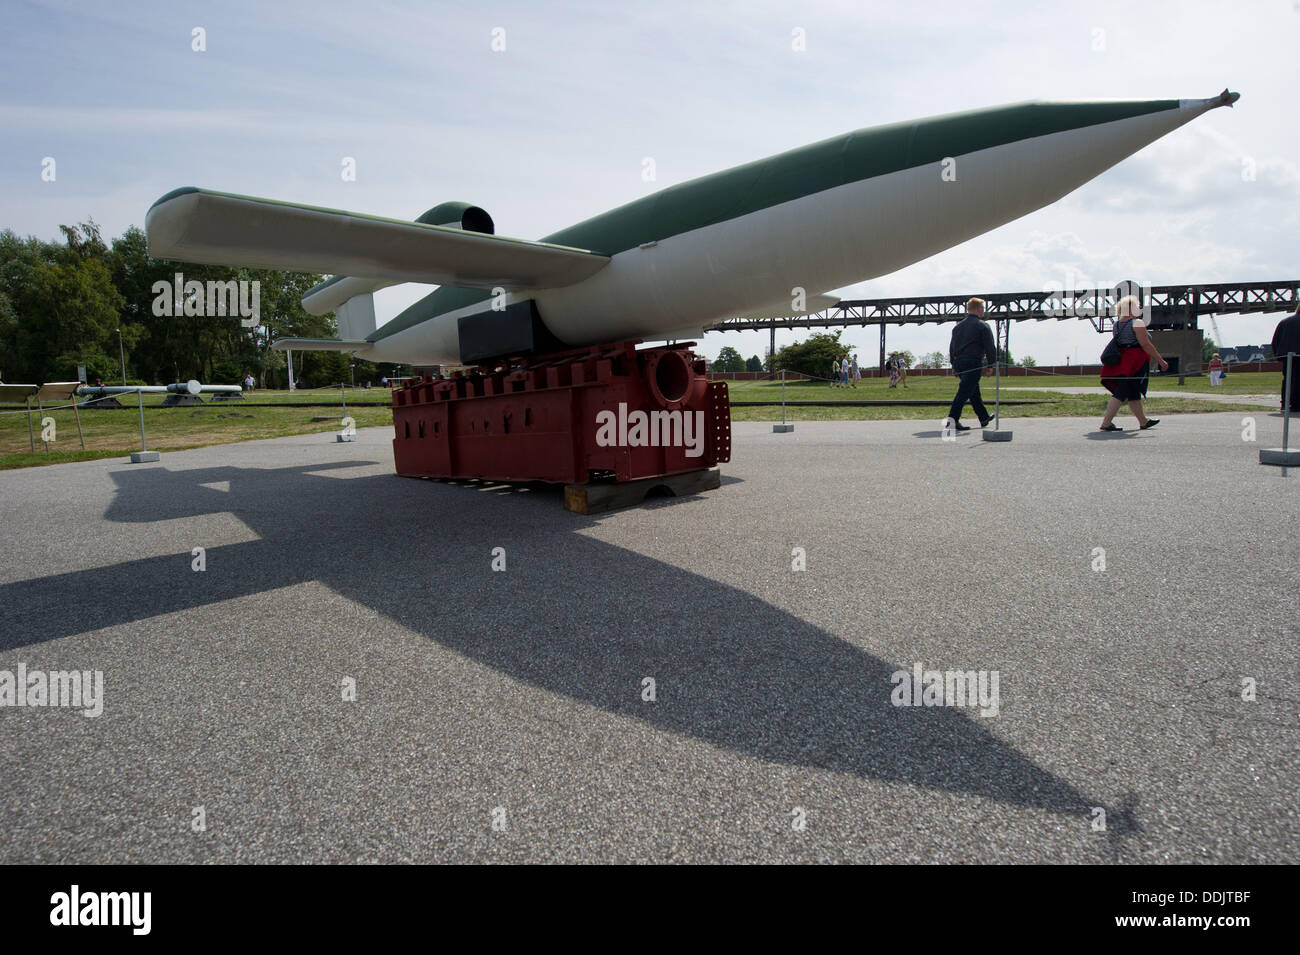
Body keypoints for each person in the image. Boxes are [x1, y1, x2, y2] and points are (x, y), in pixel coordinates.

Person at [1099, 295, 1168, 431]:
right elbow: (1146, 344)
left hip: (1123, 362)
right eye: (1137, 306)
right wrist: (1160, 360)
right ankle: (1106, 423)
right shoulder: (1137, 323)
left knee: (1133, 392)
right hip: (1135, 361)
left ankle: (1143, 421)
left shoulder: (1117, 325)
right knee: (1121, 392)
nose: (1139, 309)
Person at [946, 298, 996, 430]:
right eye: (983, 308)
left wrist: (953, 365)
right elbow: (990, 347)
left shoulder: (957, 327)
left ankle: (984, 417)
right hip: (973, 362)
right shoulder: (982, 325)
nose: (984, 311)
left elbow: (952, 347)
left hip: (959, 362)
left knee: (972, 391)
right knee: (964, 392)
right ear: (978, 309)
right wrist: (991, 365)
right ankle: (952, 420)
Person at [1270, 307, 1300, 412]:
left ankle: (1285, 403)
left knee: (1288, 379)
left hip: (1286, 356)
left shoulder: (1284, 322)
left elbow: (1275, 341)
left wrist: (1278, 355)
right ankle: (1296, 404)